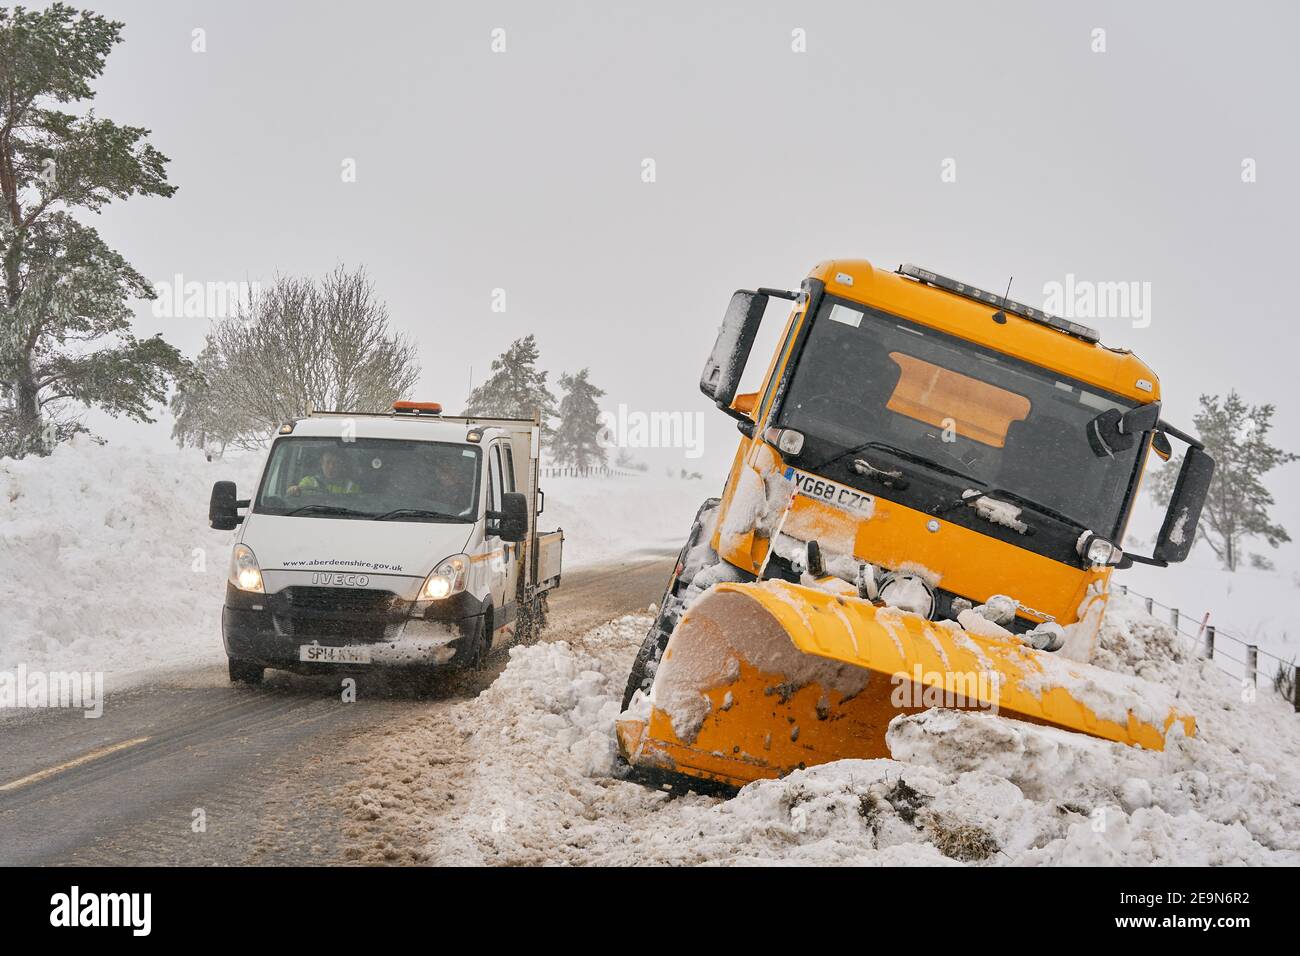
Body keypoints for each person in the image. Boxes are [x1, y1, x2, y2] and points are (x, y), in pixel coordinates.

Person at [287, 449, 359, 496]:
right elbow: (296, 495)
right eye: (328, 462)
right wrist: (293, 490)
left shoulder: (351, 487)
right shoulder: (308, 482)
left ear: (341, 465)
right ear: (321, 463)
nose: (331, 466)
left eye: (335, 463)